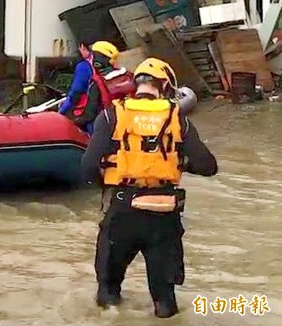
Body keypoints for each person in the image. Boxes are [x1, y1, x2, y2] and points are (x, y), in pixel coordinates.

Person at [80, 58, 218, 319]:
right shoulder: (177, 118)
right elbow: (208, 166)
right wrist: (177, 164)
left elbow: (87, 167)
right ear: (165, 86)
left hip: (122, 211)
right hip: (164, 217)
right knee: (165, 304)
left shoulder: (112, 114)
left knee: (107, 294)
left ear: (137, 85)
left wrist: (110, 180)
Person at [64, 41, 120, 134]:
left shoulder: (97, 83)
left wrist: (73, 121)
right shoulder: (125, 77)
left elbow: (89, 114)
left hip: (102, 129)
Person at [58, 41, 94, 115]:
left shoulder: (83, 67)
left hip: (86, 111)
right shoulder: (105, 66)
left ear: (83, 47)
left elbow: (76, 92)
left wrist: (62, 110)